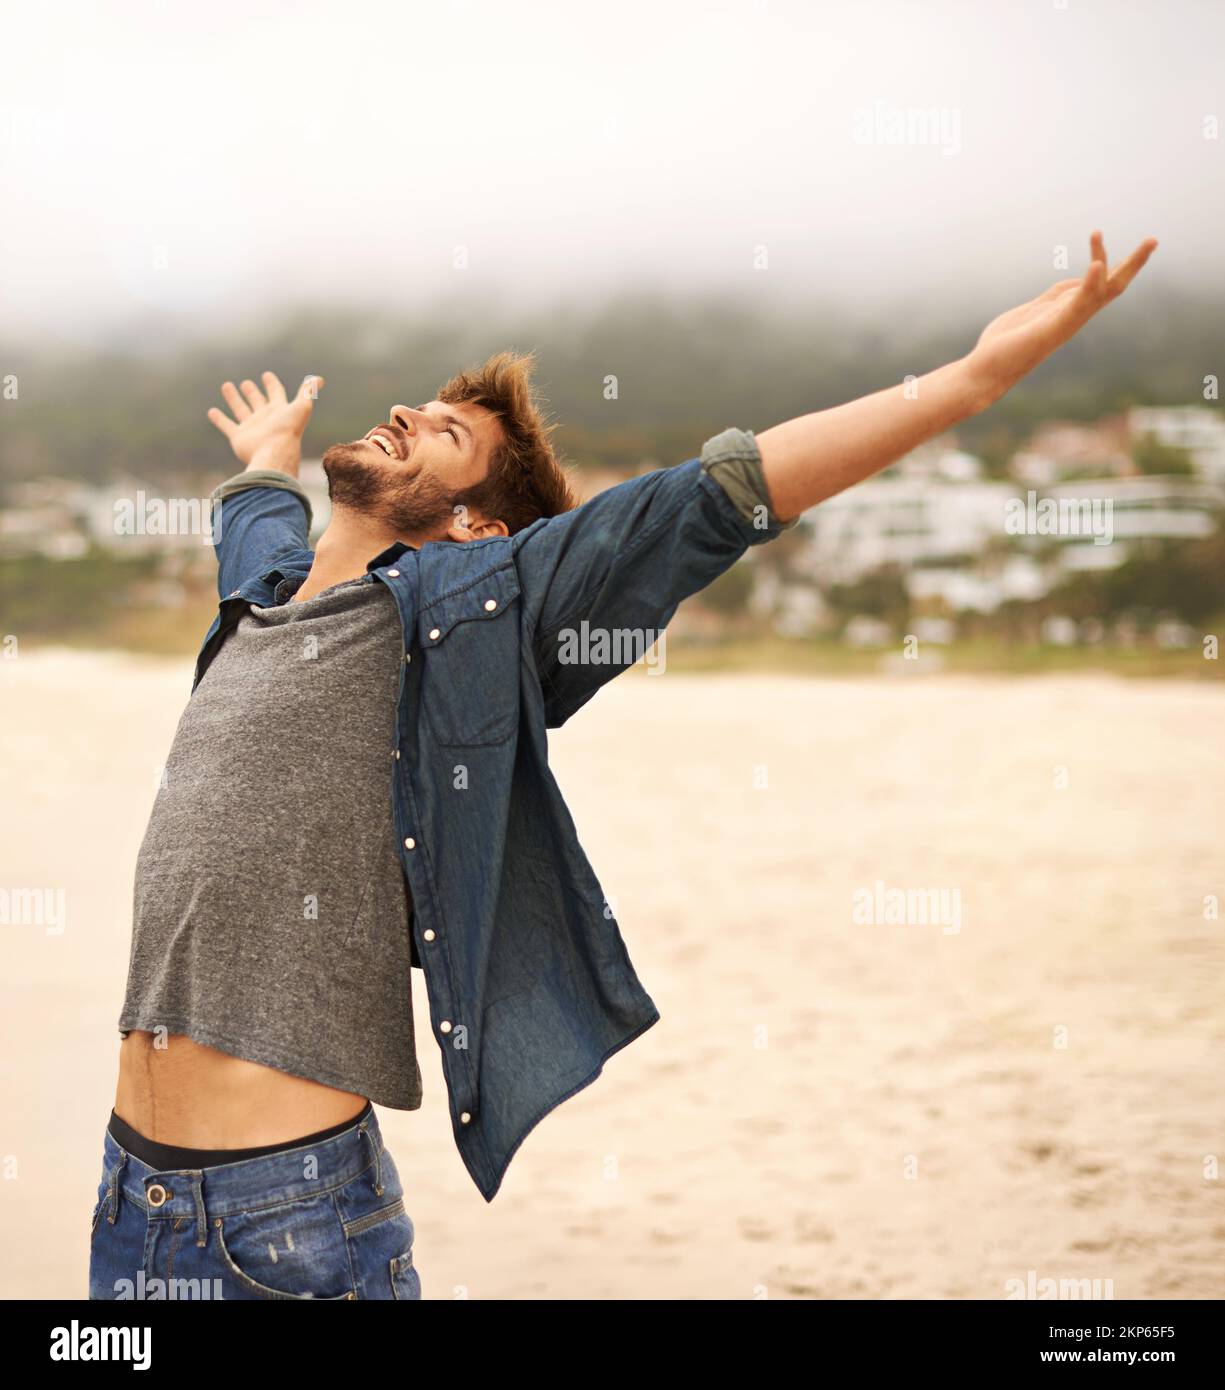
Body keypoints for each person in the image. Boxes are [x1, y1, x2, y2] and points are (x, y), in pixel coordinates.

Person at [89, 232, 1156, 1300]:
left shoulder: (469, 615)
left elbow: (718, 495)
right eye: (421, 404)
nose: (409, 413)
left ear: (476, 528)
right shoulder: (261, 605)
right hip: (130, 1198)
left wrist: (970, 382)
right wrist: (266, 457)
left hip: (284, 1221)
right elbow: (257, 528)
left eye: (447, 431)